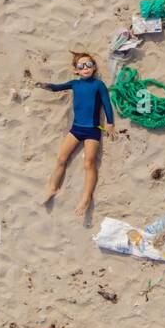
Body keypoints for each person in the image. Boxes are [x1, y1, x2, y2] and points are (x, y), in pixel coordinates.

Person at [38, 53, 115, 215]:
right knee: (61, 159)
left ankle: (86, 197)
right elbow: (57, 87)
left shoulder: (99, 85)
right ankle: (53, 187)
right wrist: (44, 85)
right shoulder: (74, 84)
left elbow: (107, 104)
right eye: (81, 66)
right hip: (76, 129)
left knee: (89, 164)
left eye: (88, 65)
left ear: (94, 67)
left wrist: (110, 123)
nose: (85, 68)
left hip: (93, 130)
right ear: (76, 71)